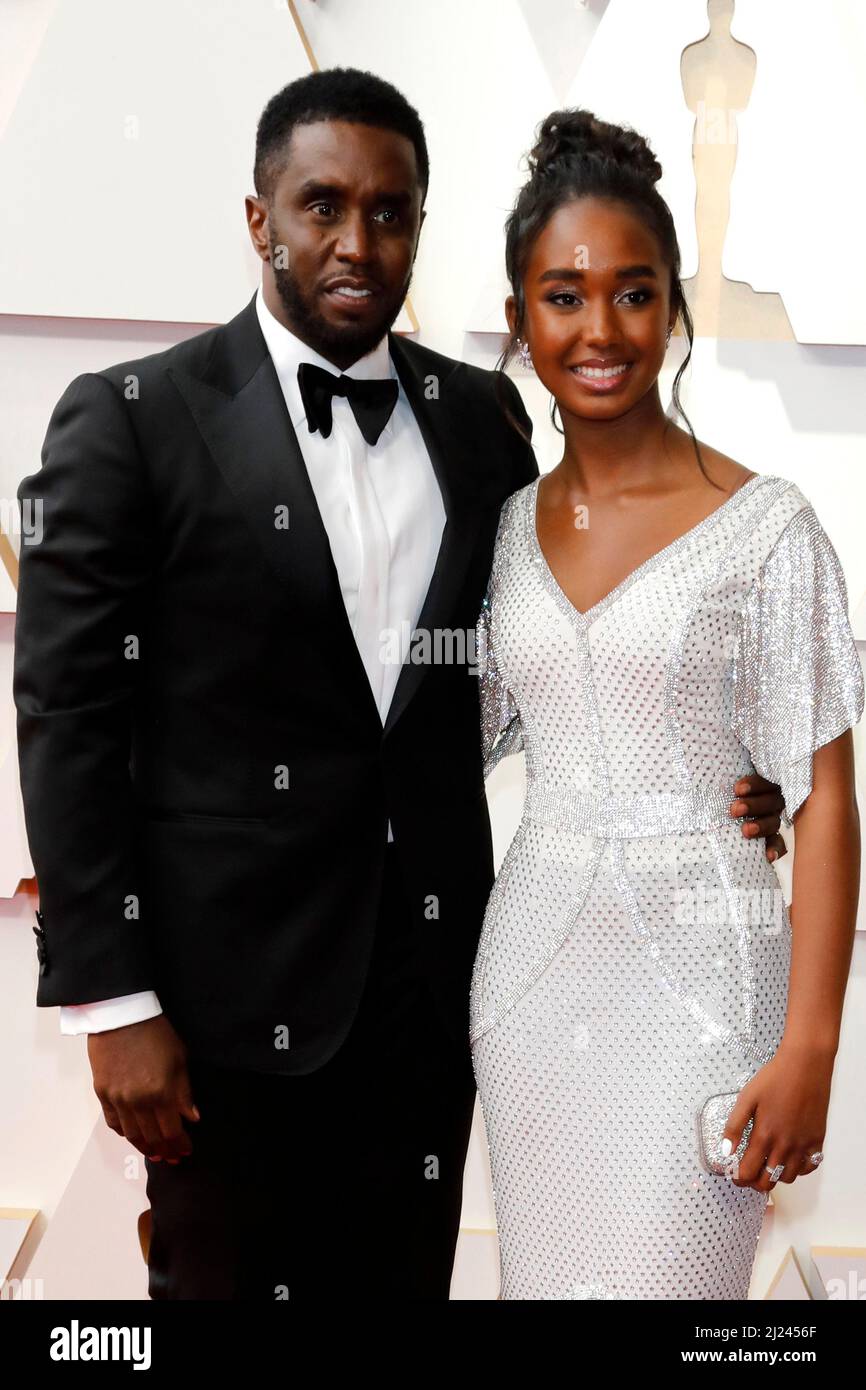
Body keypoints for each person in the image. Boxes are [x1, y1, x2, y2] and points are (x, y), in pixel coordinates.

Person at [14, 72, 787, 1301]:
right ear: (258, 218)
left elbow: (547, 659)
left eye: (391, 212)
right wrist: (112, 999)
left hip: (437, 999)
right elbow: (68, 715)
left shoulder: (481, 422)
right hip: (221, 1012)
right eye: (321, 206)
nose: (356, 243)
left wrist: (719, 777)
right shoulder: (132, 422)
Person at [470, 108, 864, 1301]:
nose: (599, 329)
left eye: (632, 293)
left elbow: (827, 798)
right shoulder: (498, 531)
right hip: (529, 991)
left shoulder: (768, 526)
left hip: (707, 992)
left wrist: (809, 1047)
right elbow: (433, 744)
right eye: (563, 295)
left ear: (673, 309)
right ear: (518, 319)